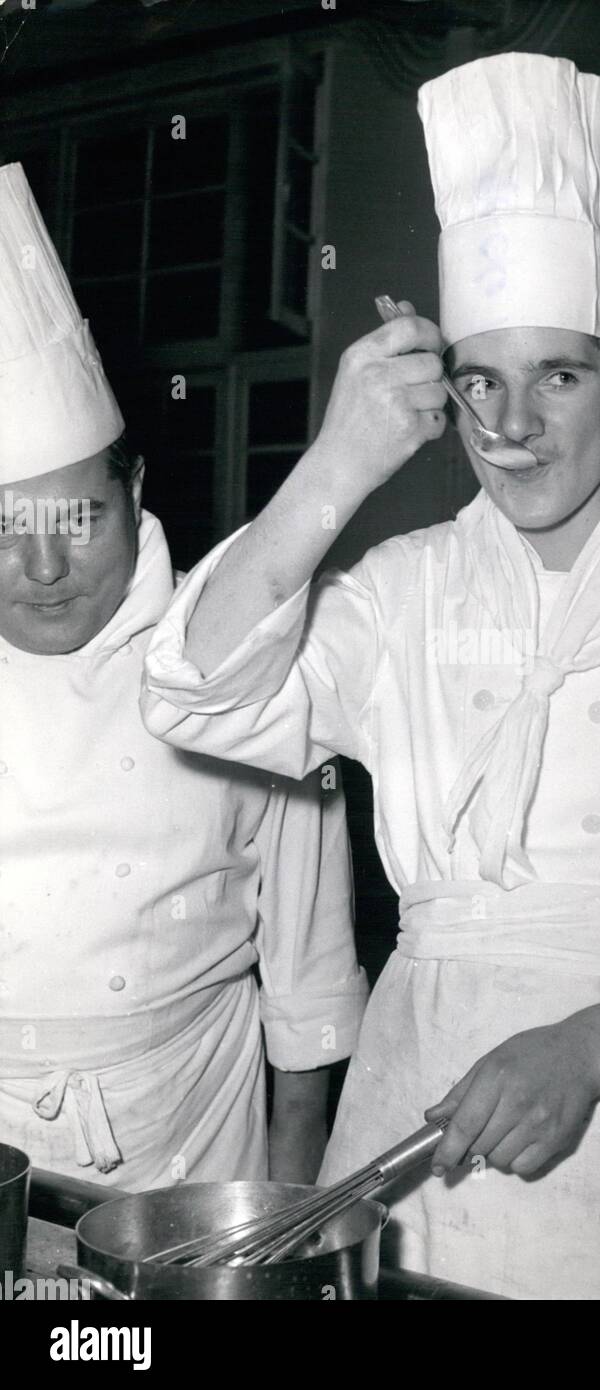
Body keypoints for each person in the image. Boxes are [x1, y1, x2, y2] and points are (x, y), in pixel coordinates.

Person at [142, 54, 600, 1297]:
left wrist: (592, 1044)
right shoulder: (406, 590)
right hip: (398, 1127)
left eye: (556, 377)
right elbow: (196, 693)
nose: (509, 425)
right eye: (478, 380)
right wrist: (335, 468)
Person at [0, 161, 367, 1190]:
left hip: (190, 1133)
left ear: (138, 490)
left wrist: (287, 1209)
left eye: (79, 516)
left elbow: (306, 974)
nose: (44, 569)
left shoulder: (236, 658)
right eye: (3, 528)